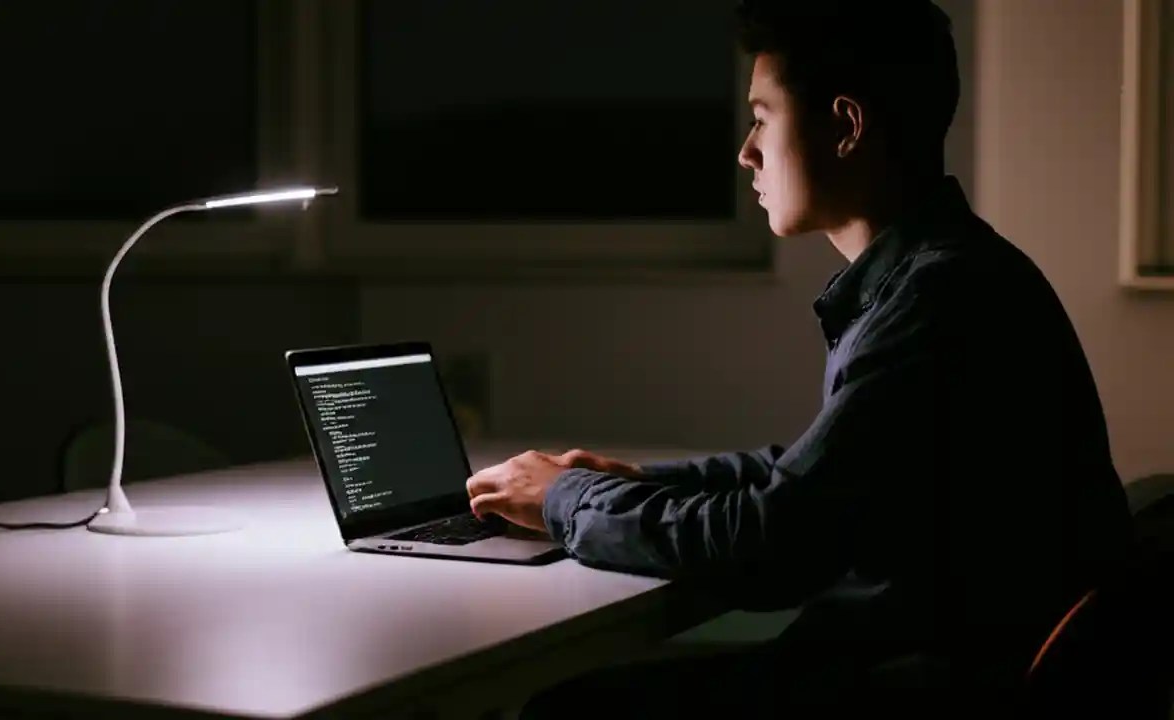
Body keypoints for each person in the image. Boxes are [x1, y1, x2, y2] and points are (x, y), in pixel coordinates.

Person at [464, 0, 1134, 716]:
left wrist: (564, 500)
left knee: (568, 710)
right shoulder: (951, 274)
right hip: (922, 668)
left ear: (846, 126)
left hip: (918, 686)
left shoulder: (939, 298)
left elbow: (775, 544)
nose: (746, 151)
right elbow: (819, 475)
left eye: (763, 116)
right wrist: (635, 480)